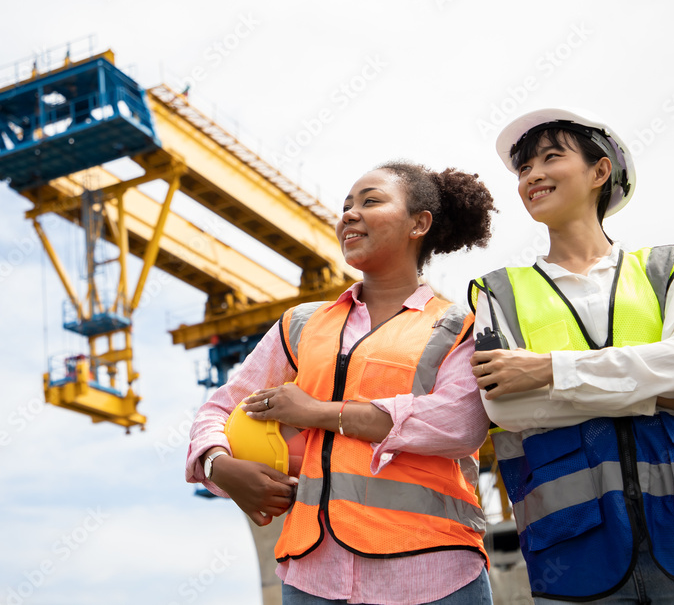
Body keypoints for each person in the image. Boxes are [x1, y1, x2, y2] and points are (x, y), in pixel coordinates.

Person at [469, 108, 674, 603]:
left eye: (550, 158)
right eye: (523, 169)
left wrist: (548, 371)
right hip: (575, 548)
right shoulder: (497, 291)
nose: (531, 176)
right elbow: (505, 409)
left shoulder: (670, 266)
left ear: (599, 171)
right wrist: (656, 394)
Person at [186, 161, 498, 604]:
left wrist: (315, 413)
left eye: (370, 201)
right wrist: (218, 466)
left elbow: (458, 424)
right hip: (313, 576)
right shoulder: (300, 324)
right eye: (346, 206)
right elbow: (217, 408)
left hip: (433, 570)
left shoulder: (457, 325)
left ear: (419, 223)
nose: (348, 214)